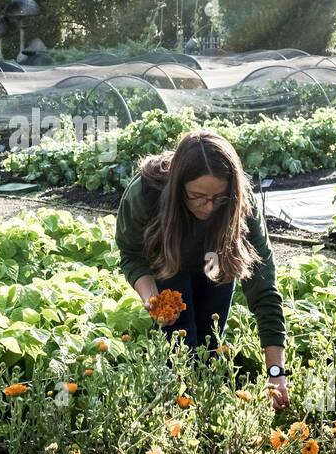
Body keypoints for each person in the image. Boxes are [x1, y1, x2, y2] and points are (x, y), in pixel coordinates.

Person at [114, 129, 289, 409]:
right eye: (197, 196)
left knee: (211, 339)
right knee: (181, 345)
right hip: (170, 257)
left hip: (213, 256)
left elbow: (264, 289)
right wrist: (151, 298)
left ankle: (209, 412)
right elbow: (131, 254)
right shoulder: (146, 193)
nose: (208, 207)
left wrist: (275, 373)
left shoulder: (241, 204)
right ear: (178, 186)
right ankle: (178, 412)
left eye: (218, 197)